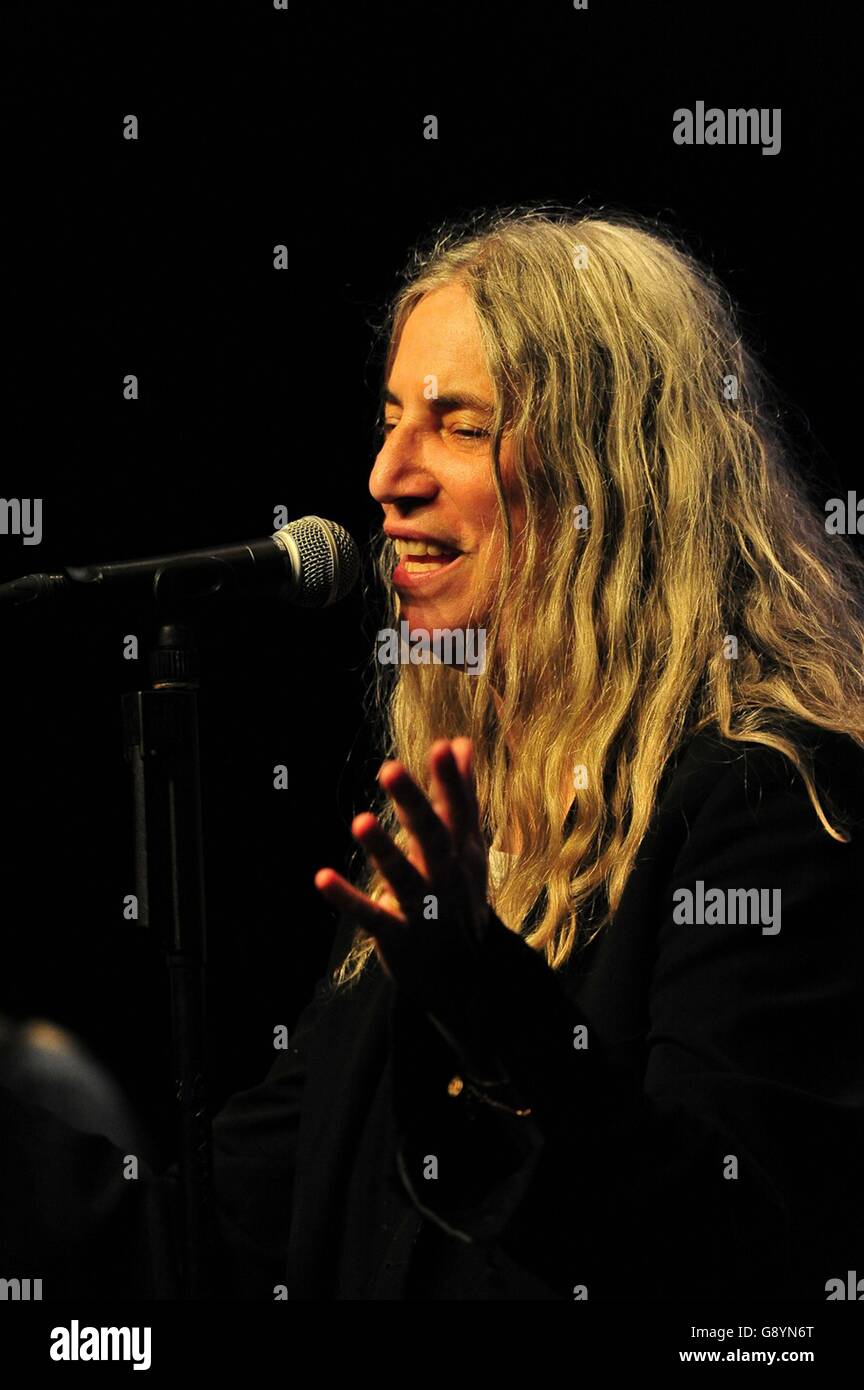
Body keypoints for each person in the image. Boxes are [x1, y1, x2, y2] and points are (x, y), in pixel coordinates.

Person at [2, 207, 863, 1300]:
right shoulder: (456, 838)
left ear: (617, 471)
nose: (384, 474)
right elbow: (209, 1234)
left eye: (459, 426)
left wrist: (499, 1011)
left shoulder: (771, 800)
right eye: (391, 416)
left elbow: (739, 1265)